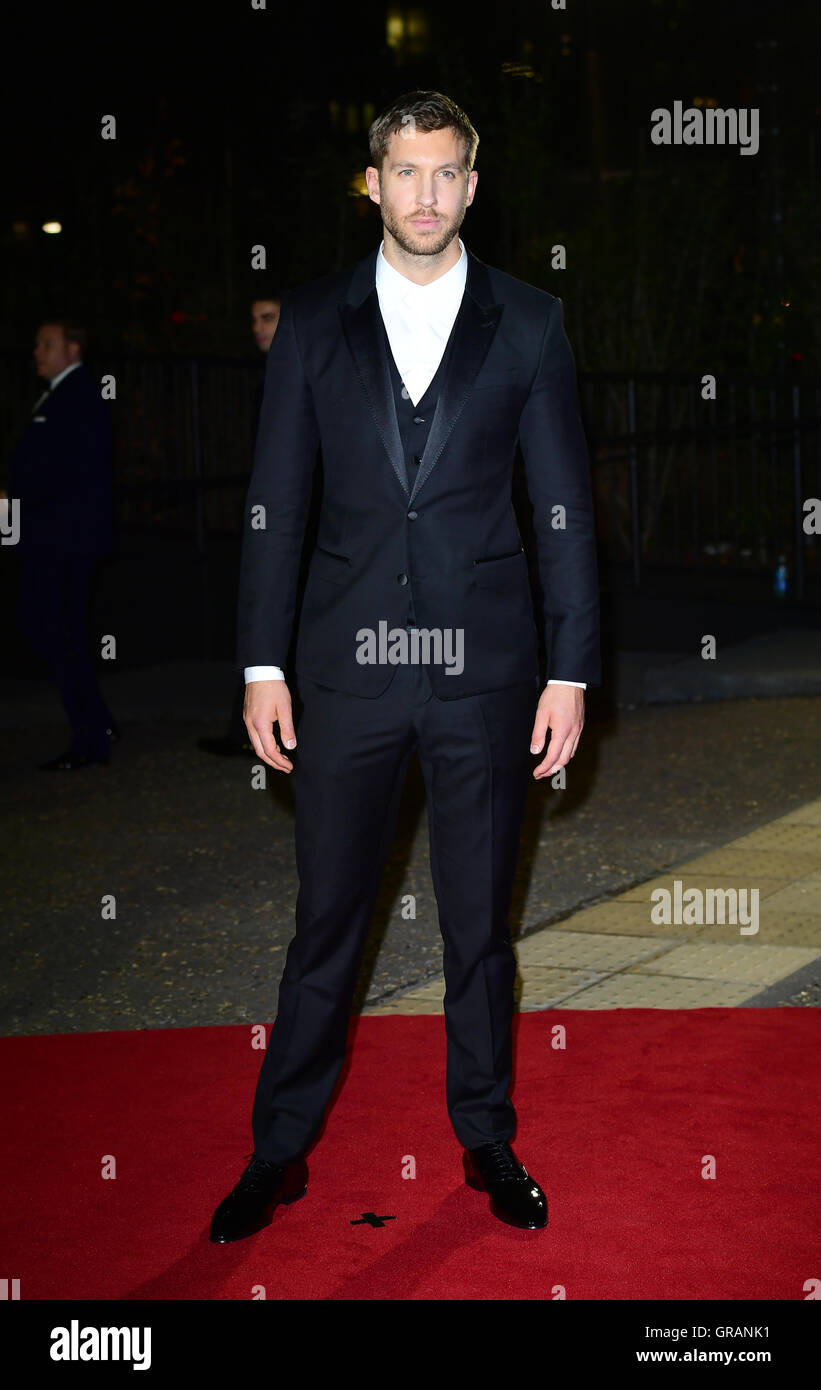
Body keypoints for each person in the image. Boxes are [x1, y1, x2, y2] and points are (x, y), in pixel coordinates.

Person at [210, 90, 600, 1243]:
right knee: (326, 921)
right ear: (370, 183)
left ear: (471, 186)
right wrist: (261, 661)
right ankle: (277, 1151)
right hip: (343, 672)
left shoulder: (528, 322)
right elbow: (273, 507)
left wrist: (569, 672)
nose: (425, 195)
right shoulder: (316, 321)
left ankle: (484, 1136)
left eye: (447, 174)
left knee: (478, 928)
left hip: (486, 676)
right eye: (404, 172)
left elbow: (562, 509)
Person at [5, 320, 117, 769]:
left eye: (46, 344)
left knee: (57, 630)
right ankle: (96, 724)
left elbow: (72, 471)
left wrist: (15, 499)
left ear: (73, 347)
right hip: (56, 535)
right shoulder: (60, 393)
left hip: (65, 539)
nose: (37, 351)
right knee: (58, 630)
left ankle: (91, 738)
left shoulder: (80, 395)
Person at [198, 290, 282, 756]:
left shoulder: (305, 372)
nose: (258, 327)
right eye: (254, 318)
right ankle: (248, 726)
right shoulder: (269, 377)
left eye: (267, 317)